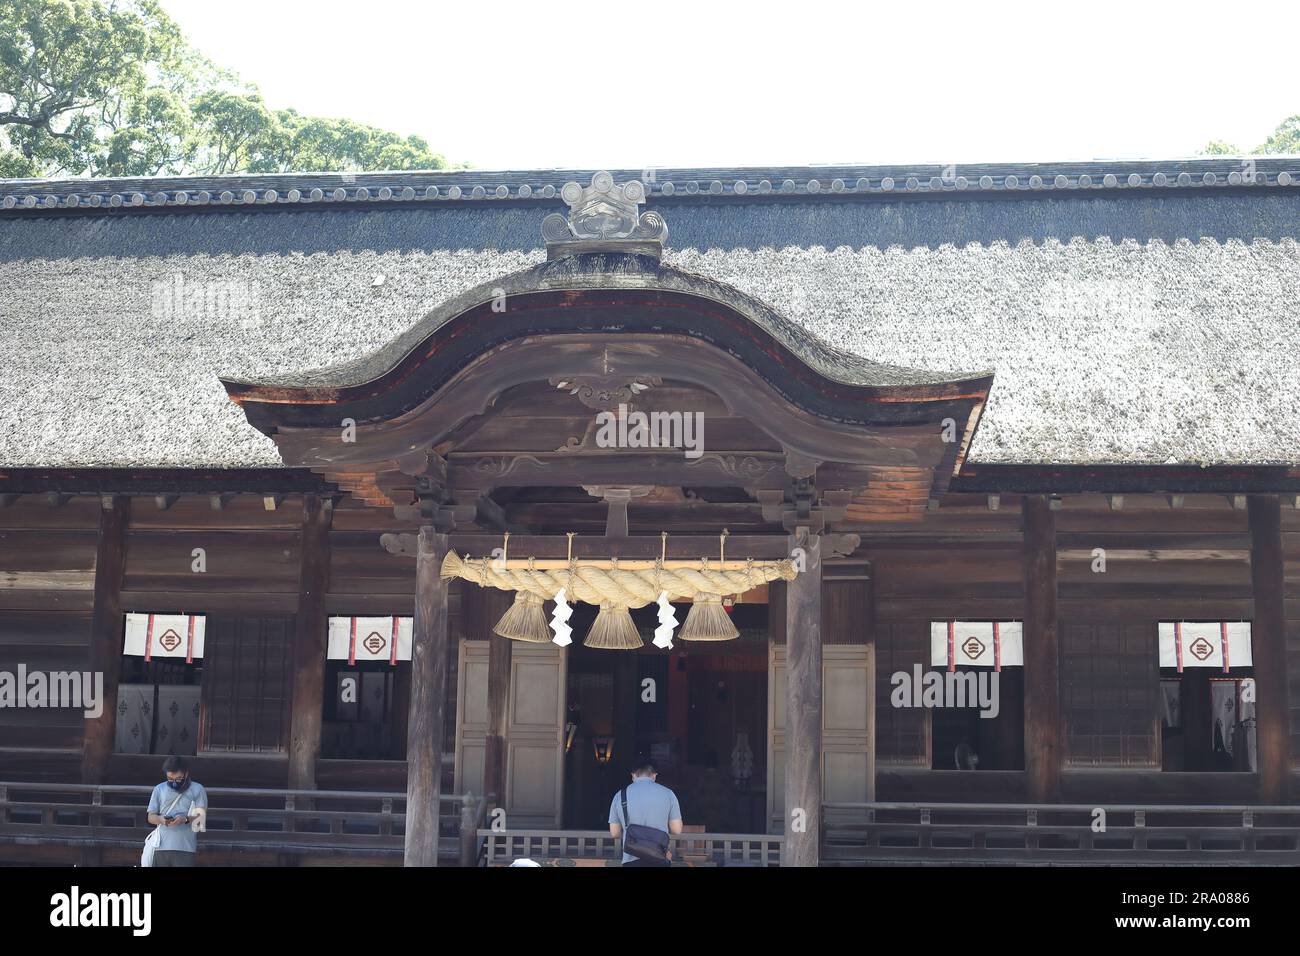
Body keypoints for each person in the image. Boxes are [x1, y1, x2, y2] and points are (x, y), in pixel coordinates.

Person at [608, 760, 682, 867]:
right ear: (654, 775)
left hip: (631, 859)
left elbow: (615, 833)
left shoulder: (620, 795)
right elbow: (676, 829)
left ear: (633, 775)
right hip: (660, 857)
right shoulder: (668, 793)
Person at [146, 755, 208, 867]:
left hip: (186, 847)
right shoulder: (159, 789)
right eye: (170, 778)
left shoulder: (198, 789)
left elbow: (201, 819)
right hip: (160, 846)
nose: (174, 782)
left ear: (186, 774)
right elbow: (151, 817)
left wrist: (185, 819)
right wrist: (161, 819)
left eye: (178, 778)